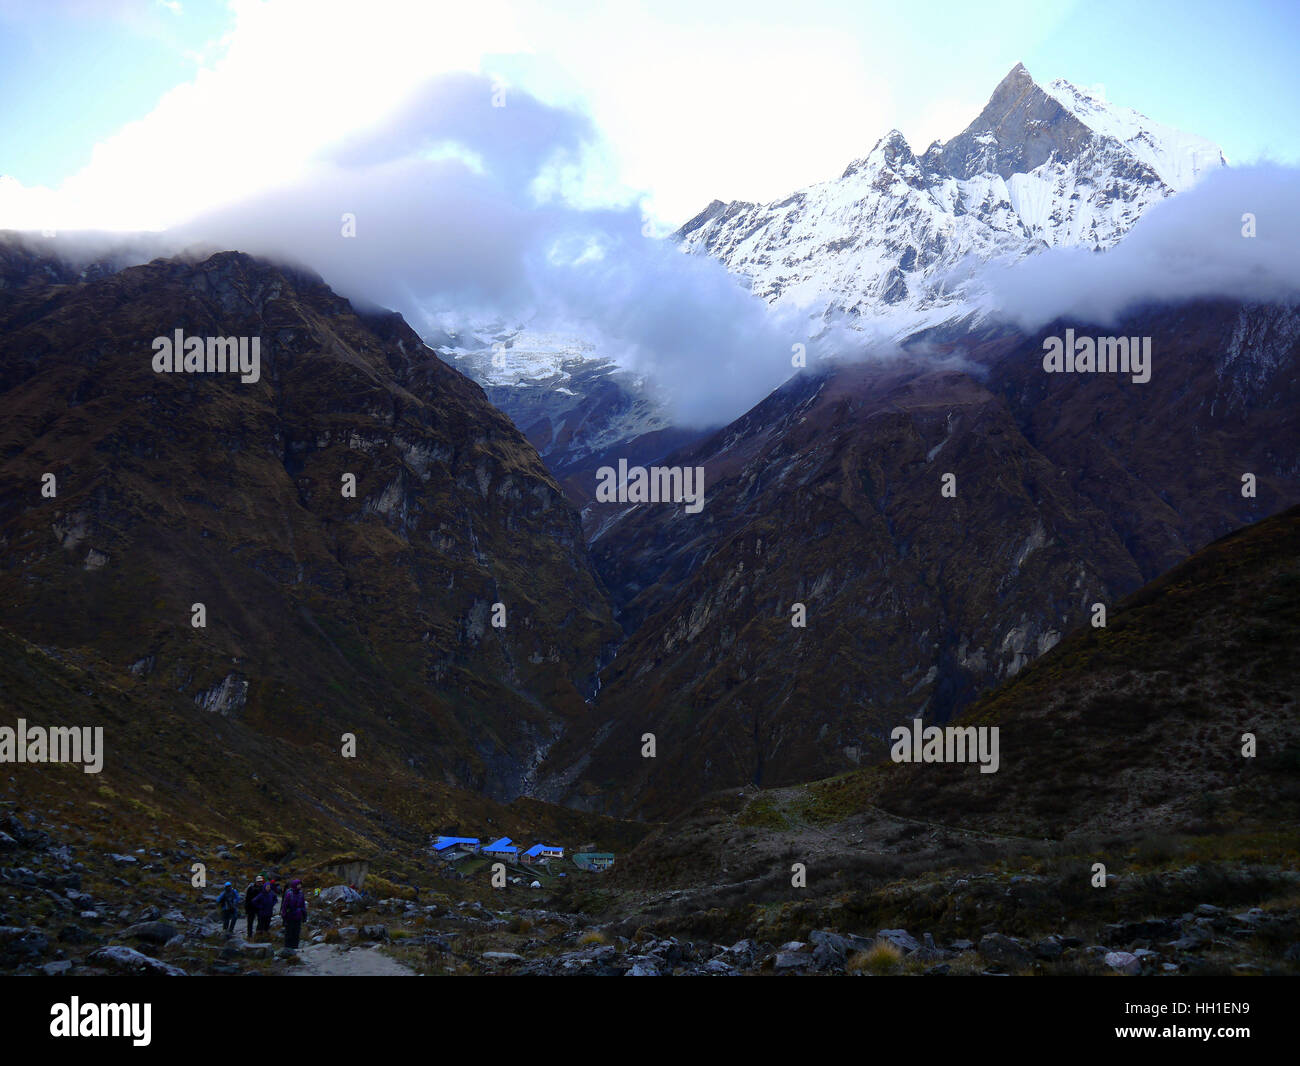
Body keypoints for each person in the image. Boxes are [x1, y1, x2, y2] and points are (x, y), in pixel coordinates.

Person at [281, 878, 307, 951]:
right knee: (289, 933)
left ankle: (295, 948)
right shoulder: (289, 894)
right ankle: (287, 949)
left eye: (300, 884)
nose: (299, 886)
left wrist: (304, 915)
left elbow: (303, 905)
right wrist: (284, 916)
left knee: (296, 933)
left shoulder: (301, 894)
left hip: (298, 916)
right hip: (290, 916)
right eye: (298, 884)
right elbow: (284, 906)